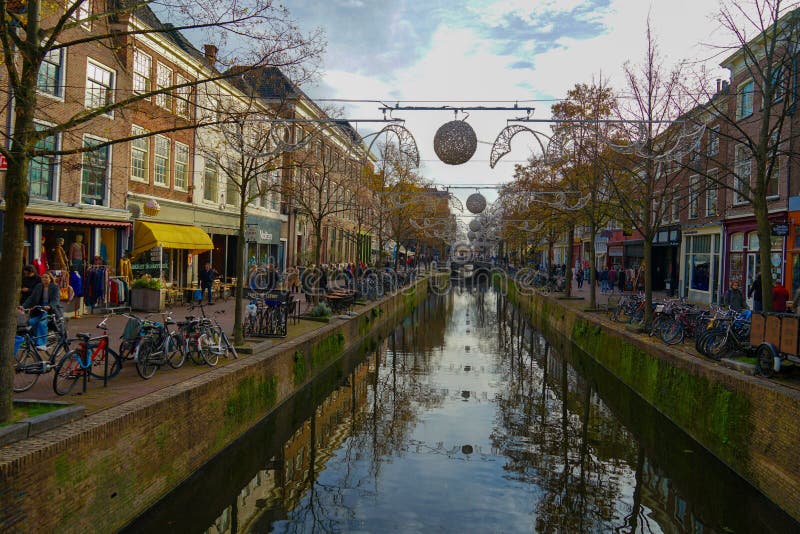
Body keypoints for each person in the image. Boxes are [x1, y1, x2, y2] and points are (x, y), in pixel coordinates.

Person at [20, 272, 62, 349]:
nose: (44, 279)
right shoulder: (38, 286)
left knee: (42, 323)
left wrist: (49, 306)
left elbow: (55, 300)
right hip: (39, 309)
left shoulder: (55, 287)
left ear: (50, 279)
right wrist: (23, 306)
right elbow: (31, 298)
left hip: (51, 310)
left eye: (46, 277)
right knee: (31, 322)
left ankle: (42, 344)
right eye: (43, 277)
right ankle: (36, 340)